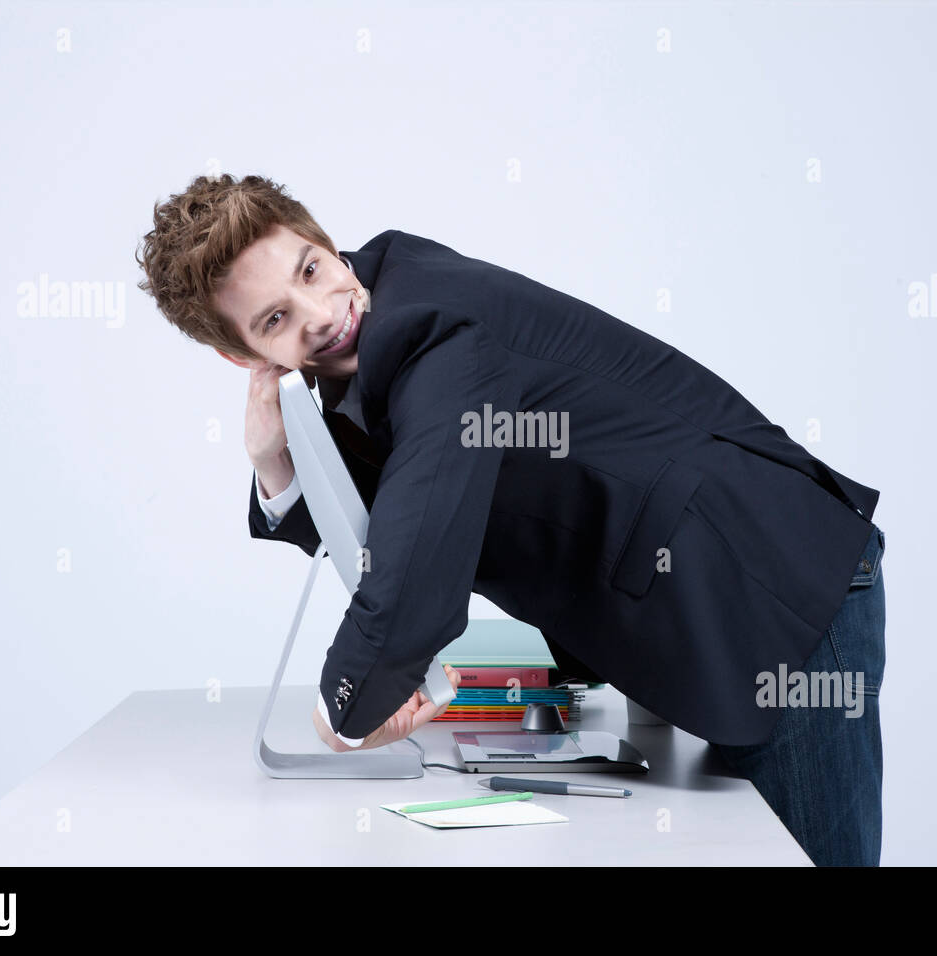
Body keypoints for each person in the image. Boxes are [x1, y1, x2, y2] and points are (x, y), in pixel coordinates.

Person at [135, 173, 887, 865]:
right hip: (699, 608)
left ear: (328, 243)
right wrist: (274, 462)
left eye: (310, 270)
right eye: (276, 318)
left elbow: (412, 572)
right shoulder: (367, 342)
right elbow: (362, 519)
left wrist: (344, 715)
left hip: (772, 591)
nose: (322, 314)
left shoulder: (434, 332)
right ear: (246, 357)